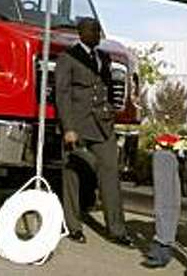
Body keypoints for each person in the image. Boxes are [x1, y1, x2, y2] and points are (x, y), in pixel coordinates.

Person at [55, 17, 131, 247]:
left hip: (102, 124)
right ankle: (73, 226)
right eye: (93, 30)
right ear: (81, 33)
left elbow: (106, 87)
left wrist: (110, 110)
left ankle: (117, 230)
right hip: (77, 124)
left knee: (110, 173)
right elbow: (62, 94)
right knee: (72, 176)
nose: (98, 34)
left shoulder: (104, 57)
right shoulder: (67, 58)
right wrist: (68, 128)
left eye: (99, 30)